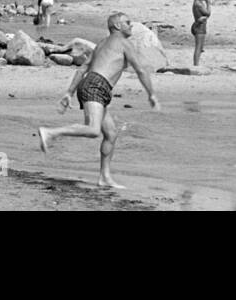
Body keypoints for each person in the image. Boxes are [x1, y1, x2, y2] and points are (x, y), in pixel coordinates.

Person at [37, 12, 159, 188]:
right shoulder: (124, 43)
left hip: (93, 85)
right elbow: (140, 70)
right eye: (127, 22)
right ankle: (50, 133)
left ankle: (104, 177)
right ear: (117, 26)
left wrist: (69, 93)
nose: (131, 25)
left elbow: (82, 70)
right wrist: (151, 94)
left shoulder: (101, 44)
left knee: (110, 133)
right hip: (97, 85)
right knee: (93, 130)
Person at [191, 0, 210, 66]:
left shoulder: (198, 2)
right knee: (198, 47)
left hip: (201, 26)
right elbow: (207, 13)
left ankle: (197, 63)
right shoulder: (198, 4)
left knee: (200, 47)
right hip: (199, 27)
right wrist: (208, 4)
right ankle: (196, 64)